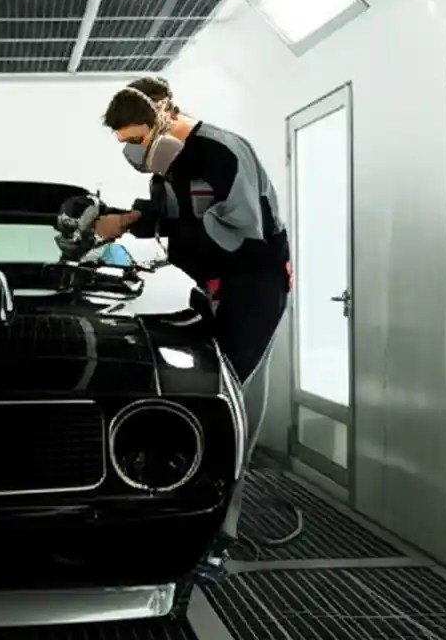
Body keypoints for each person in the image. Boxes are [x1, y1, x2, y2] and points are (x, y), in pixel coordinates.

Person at [58, 76, 291, 548]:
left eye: (137, 139)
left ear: (163, 117)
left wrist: (144, 225)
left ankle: (217, 531)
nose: (133, 151)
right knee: (217, 390)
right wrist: (118, 221)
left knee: (225, 399)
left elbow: (239, 228)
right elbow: (168, 216)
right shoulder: (168, 169)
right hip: (213, 286)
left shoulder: (223, 152)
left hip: (254, 285)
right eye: (125, 144)